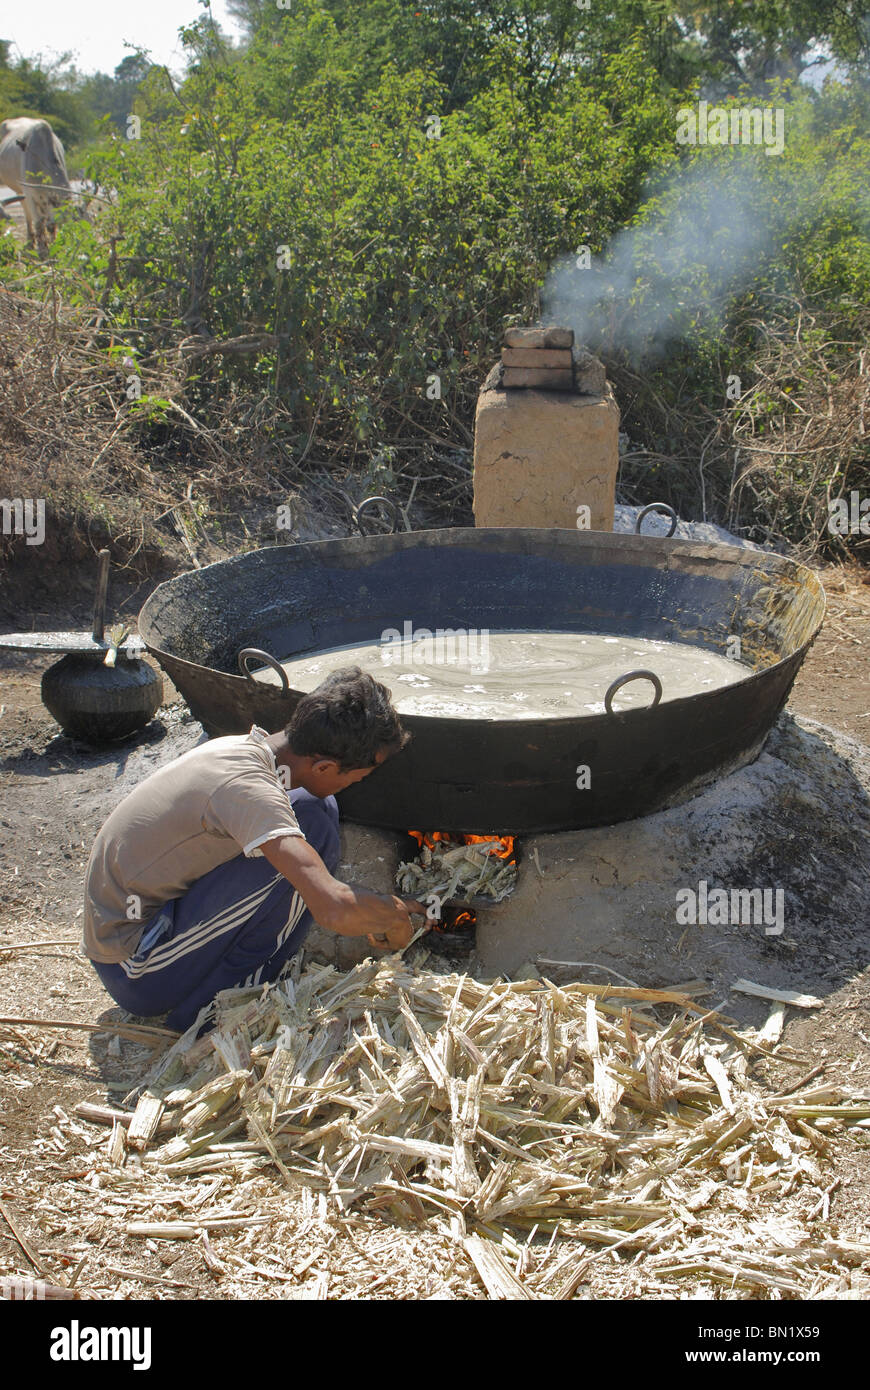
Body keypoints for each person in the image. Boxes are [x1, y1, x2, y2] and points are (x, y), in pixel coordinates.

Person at [83, 666, 427, 1032]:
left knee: (314, 810)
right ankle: (216, 1010)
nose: (359, 783)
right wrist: (393, 915)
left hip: (147, 930)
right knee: (308, 834)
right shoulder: (248, 790)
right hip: (136, 966)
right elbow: (334, 908)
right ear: (325, 766)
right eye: (360, 776)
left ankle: (228, 986)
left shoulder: (244, 751)